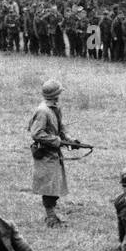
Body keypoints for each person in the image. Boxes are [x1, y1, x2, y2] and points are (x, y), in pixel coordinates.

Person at [28, 79, 75, 227]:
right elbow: (36, 134)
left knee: (54, 184)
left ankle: (52, 215)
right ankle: (51, 218)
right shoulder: (43, 111)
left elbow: (60, 127)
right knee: (49, 186)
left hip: (53, 153)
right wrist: (56, 141)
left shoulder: (55, 108)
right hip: (46, 153)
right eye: (59, 92)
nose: (60, 95)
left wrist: (69, 139)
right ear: (55, 94)